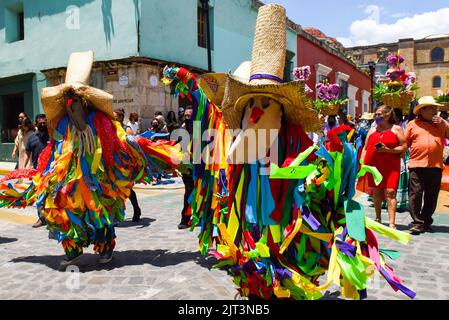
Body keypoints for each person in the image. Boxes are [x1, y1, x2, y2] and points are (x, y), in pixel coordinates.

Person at [406, 96, 449, 234]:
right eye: (432, 108)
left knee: (431, 196)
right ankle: (417, 222)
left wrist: (443, 123)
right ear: (422, 111)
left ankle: (426, 220)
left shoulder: (441, 123)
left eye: (435, 108)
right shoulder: (412, 124)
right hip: (417, 164)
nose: (435, 111)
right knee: (415, 194)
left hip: (435, 166)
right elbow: (404, 143)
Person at [360, 105, 406, 229]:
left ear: (388, 115)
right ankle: (378, 217)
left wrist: (387, 150)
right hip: (374, 165)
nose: (377, 116)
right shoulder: (372, 129)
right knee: (377, 192)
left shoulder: (396, 129)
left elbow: (403, 146)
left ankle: (391, 223)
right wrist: (362, 163)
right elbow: (365, 147)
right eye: (376, 114)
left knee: (391, 192)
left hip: (391, 166)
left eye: (380, 114)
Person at [114, 108, 142, 222]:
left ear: (121, 117)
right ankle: (115, 214)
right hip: (114, 162)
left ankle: (136, 209)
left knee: (127, 188)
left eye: (116, 117)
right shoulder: (110, 127)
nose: (114, 119)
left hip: (126, 163)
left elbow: (132, 145)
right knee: (115, 188)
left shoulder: (127, 128)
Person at [25, 114, 50, 228]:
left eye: (44, 123)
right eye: (40, 123)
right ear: (36, 124)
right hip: (37, 172)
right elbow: (27, 153)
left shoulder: (52, 136)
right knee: (39, 197)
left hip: (51, 171)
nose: (42, 125)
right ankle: (41, 219)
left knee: (51, 196)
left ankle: (53, 219)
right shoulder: (31, 138)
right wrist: (26, 167)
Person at [178, 107, 194, 229]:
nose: (187, 118)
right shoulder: (182, 130)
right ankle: (185, 218)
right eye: (185, 116)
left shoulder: (199, 129)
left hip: (200, 167)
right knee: (188, 191)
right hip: (186, 167)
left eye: (189, 116)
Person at [394, 108, 410, 212]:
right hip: (391, 153)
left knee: (400, 176)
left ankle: (399, 202)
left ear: (398, 118)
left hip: (401, 154)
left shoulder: (404, 126)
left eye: (394, 116)